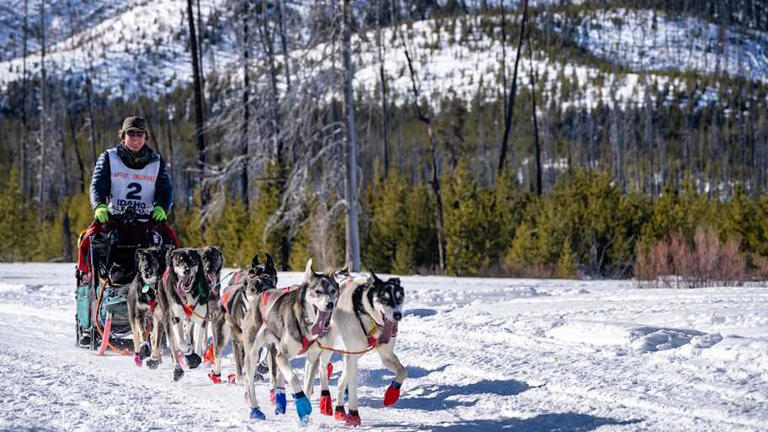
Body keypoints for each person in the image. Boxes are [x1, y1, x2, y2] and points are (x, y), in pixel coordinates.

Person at [76, 116, 179, 276]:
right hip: (115, 218)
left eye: (140, 134)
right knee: (89, 240)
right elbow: (98, 185)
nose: (136, 138)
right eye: (131, 133)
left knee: (170, 242)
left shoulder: (156, 161)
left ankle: (168, 283)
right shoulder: (109, 157)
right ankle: (89, 279)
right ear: (123, 136)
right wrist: (99, 206)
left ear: (146, 137)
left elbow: (165, 190)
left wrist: (161, 208)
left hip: (146, 220)